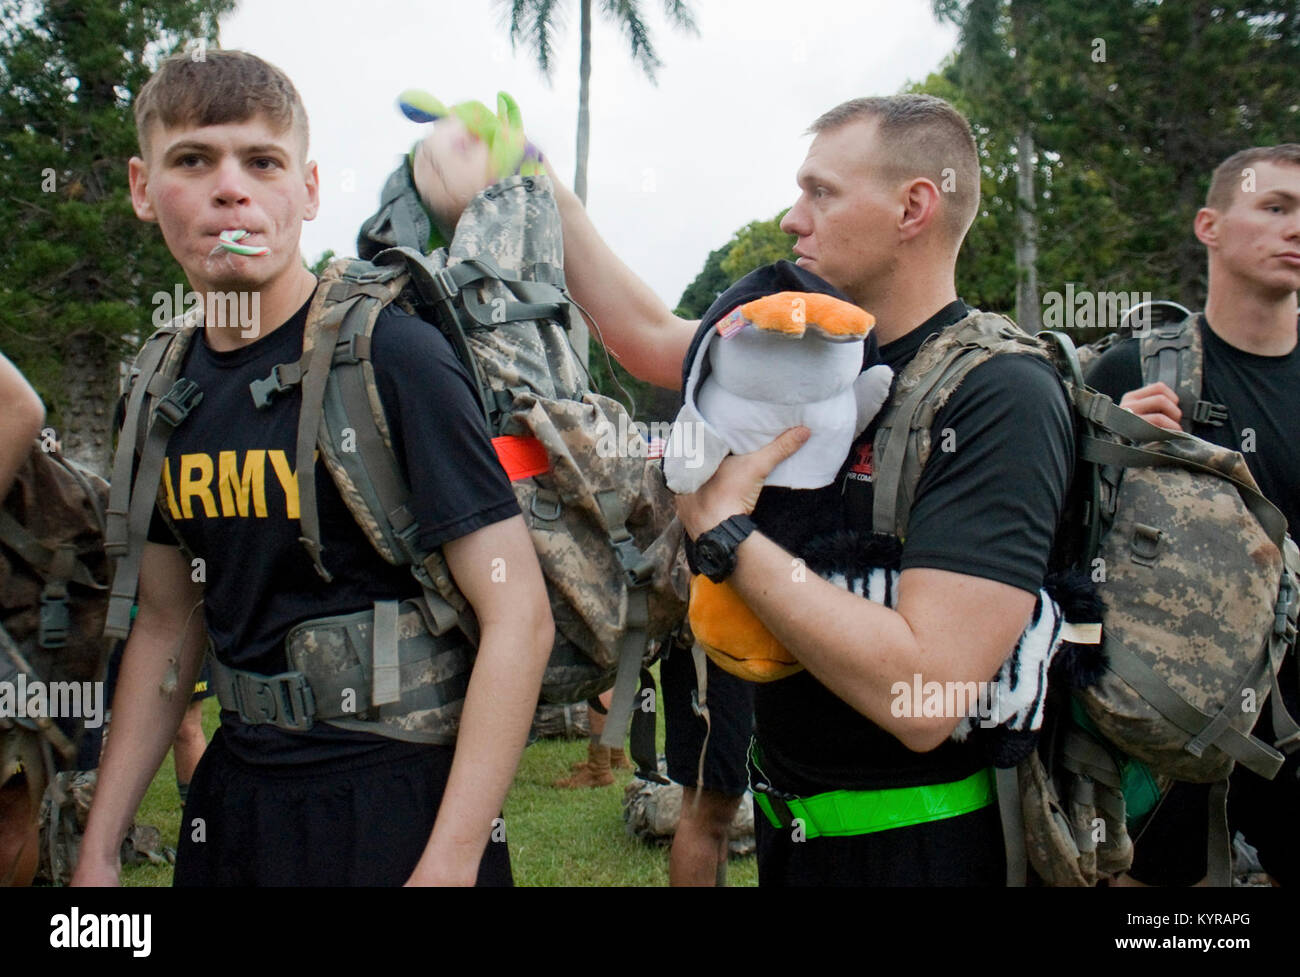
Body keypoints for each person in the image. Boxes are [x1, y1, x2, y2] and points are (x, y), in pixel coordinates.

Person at [553, 94, 1073, 885]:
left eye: (820, 191)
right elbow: (652, 335)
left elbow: (923, 697)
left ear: (914, 206)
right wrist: (533, 175)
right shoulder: (809, 354)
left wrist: (723, 533)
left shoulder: (1001, 394)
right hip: (792, 834)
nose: (794, 219)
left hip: (923, 851)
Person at [71, 50, 552, 887]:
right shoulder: (156, 390)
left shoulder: (394, 356)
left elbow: (519, 614)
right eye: (194, 160)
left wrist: (450, 861)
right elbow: (165, 623)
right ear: (144, 190)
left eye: (263, 161)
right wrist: (99, 848)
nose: (232, 189)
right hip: (236, 806)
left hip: (398, 802)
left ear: (309, 188)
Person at [1085, 144, 1300, 887]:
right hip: (1170, 741)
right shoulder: (1135, 374)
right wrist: (1109, 449)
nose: (1295, 228)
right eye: (1276, 208)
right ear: (1209, 225)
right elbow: (1065, 560)